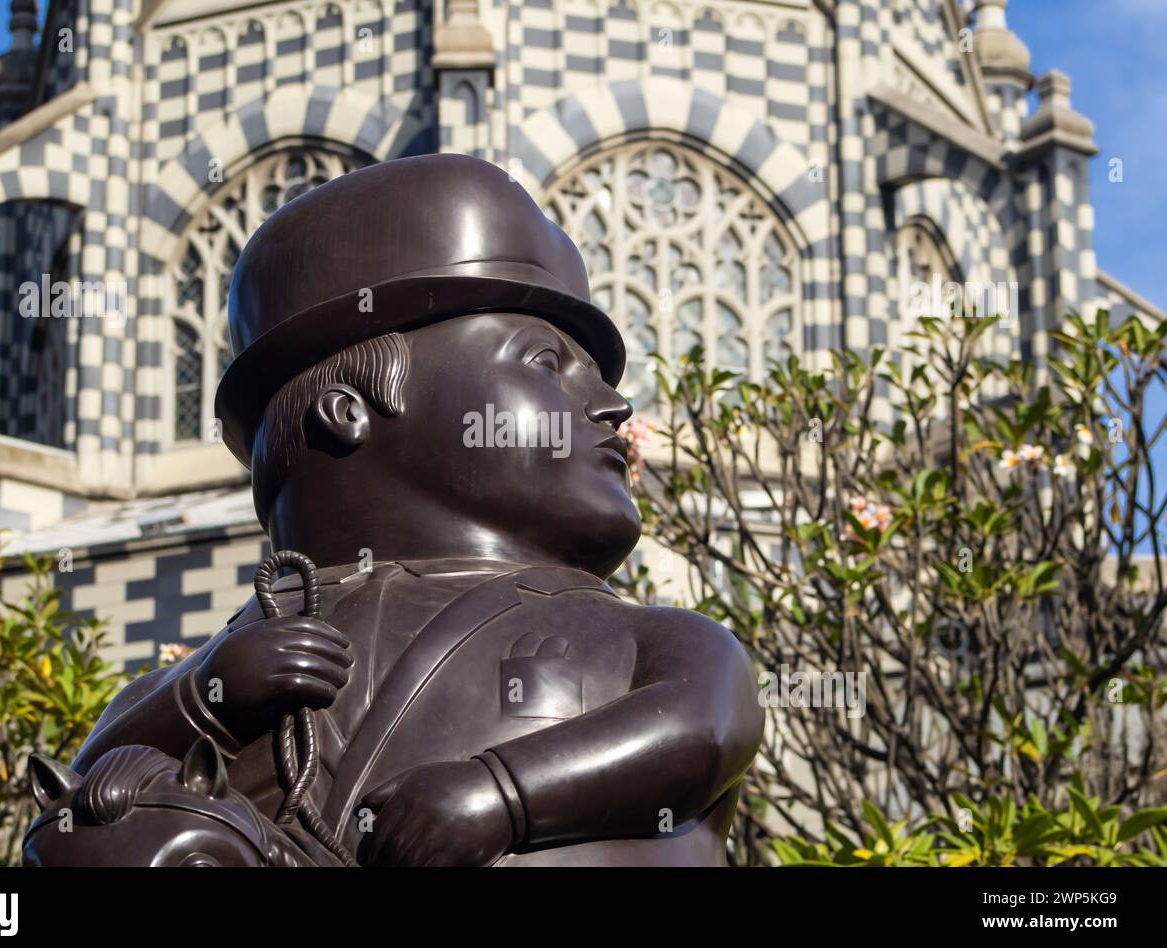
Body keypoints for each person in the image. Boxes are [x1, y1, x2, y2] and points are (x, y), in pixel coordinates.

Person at [66, 154, 764, 866]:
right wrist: (205, 697)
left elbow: (706, 719)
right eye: (544, 364)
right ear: (349, 412)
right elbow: (83, 797)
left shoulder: (657, 640)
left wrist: (504, 794)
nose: (615, 405)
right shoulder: (216, 674)